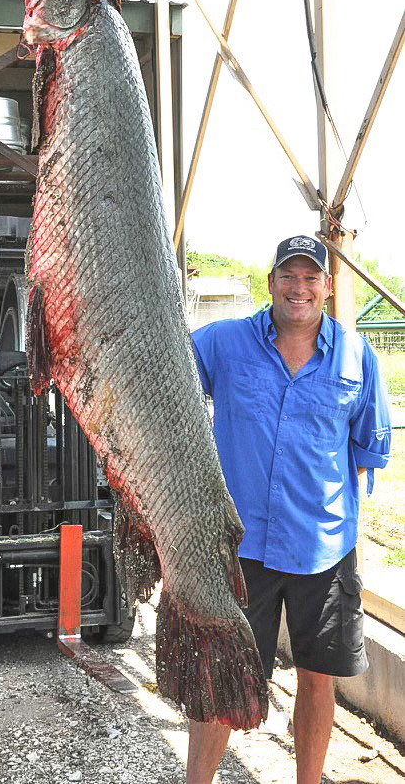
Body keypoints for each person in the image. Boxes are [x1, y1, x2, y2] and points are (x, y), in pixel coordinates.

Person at [188, 234, 392, 784]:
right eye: (288, 275)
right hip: (241, 548)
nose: (298, 287)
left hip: (324, 551)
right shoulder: (224, 343)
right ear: (271, 280)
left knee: (318, 679)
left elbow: (368, 450)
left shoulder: (357, 355)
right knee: (219, 679)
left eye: (310, 277)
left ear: (326, 287)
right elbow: (161, 367)